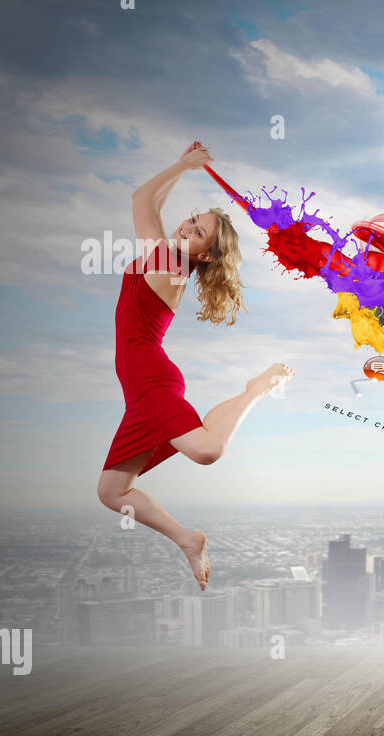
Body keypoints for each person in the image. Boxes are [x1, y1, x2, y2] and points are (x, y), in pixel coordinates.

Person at [96, 141, 295, 590]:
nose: (187, 227)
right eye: (191, 220)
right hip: (140, 389)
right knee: (112, 492)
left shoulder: (168, 263)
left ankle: (256, 388)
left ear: (203, 254)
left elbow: (142, 201)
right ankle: (188, 538)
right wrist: (181, 172)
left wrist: (183, 166)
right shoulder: (167, 256)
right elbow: (156, 205)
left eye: (199, 231)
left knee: (207, 450)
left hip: (150, 381)